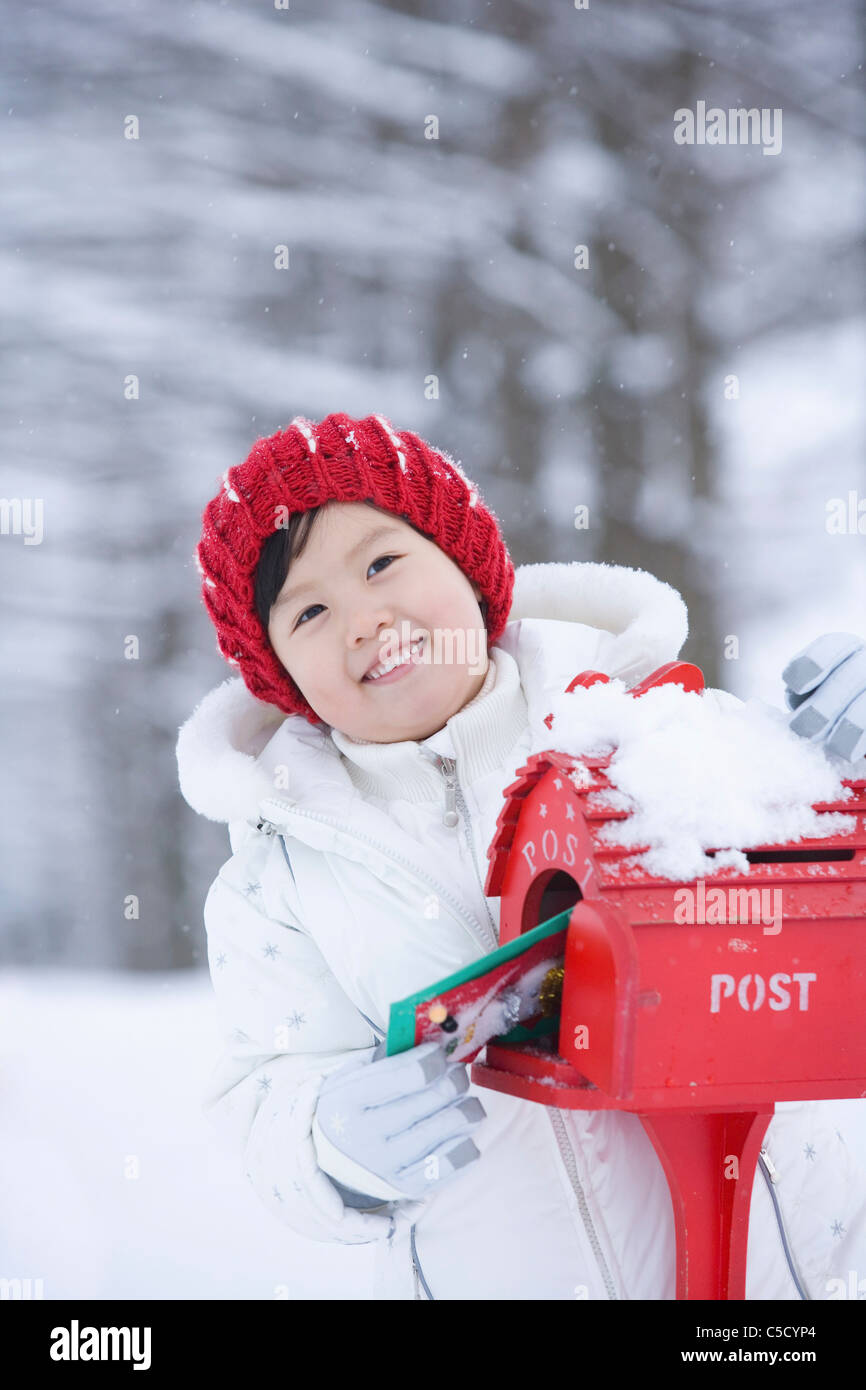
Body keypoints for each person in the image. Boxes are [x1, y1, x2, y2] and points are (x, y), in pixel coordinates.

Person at [176, 411, 866, 1299]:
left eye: (382, 562)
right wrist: (323, 1146)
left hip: (775, 1283)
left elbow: (823, 888)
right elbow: (265, 1086)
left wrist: (843, 758)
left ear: (463, 561)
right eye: (309, 611)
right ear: (281, 677)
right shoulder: (280, 885)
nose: (363, 618)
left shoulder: (658, 724)